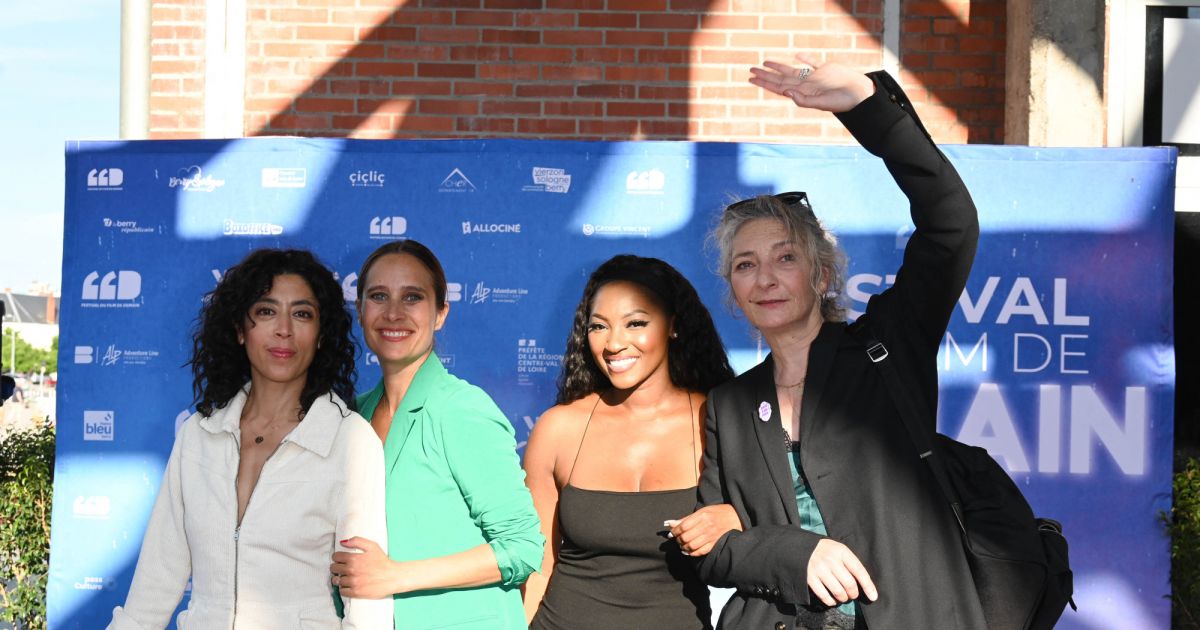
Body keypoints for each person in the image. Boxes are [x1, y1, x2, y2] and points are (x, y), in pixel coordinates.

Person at [684, 56, 989, 629]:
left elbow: (951, 223)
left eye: (786, 257)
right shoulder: (730, 405)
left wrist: (867, 106)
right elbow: (711, 545)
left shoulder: (888, 347)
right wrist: (797, 553)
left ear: (822, 276)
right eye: (746, 264)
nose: (765, 278)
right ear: (732, 289)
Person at [108, 249, 391, 629]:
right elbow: (157, 579)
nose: (284, 330)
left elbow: (367, 599)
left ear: (322, 335)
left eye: (302, 314)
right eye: (266, 311)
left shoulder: (350, 440)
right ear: (240, 330)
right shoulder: (199, 434)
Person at [330, 240, 543, 629]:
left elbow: (522, 547)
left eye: (412, 297)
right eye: (379, 296)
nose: (393, 313)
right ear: (360, 311)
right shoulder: (352, 416)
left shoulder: (461, 409)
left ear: (440, 313)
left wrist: (395, 576)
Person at [522, 255, 740, 630]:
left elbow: (774, 527)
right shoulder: (558, 428)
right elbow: (538, 568)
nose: (614, 343)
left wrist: (735, 520)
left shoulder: (720, 420)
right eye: (599, 327)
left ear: (673, 325)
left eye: (635, 323)